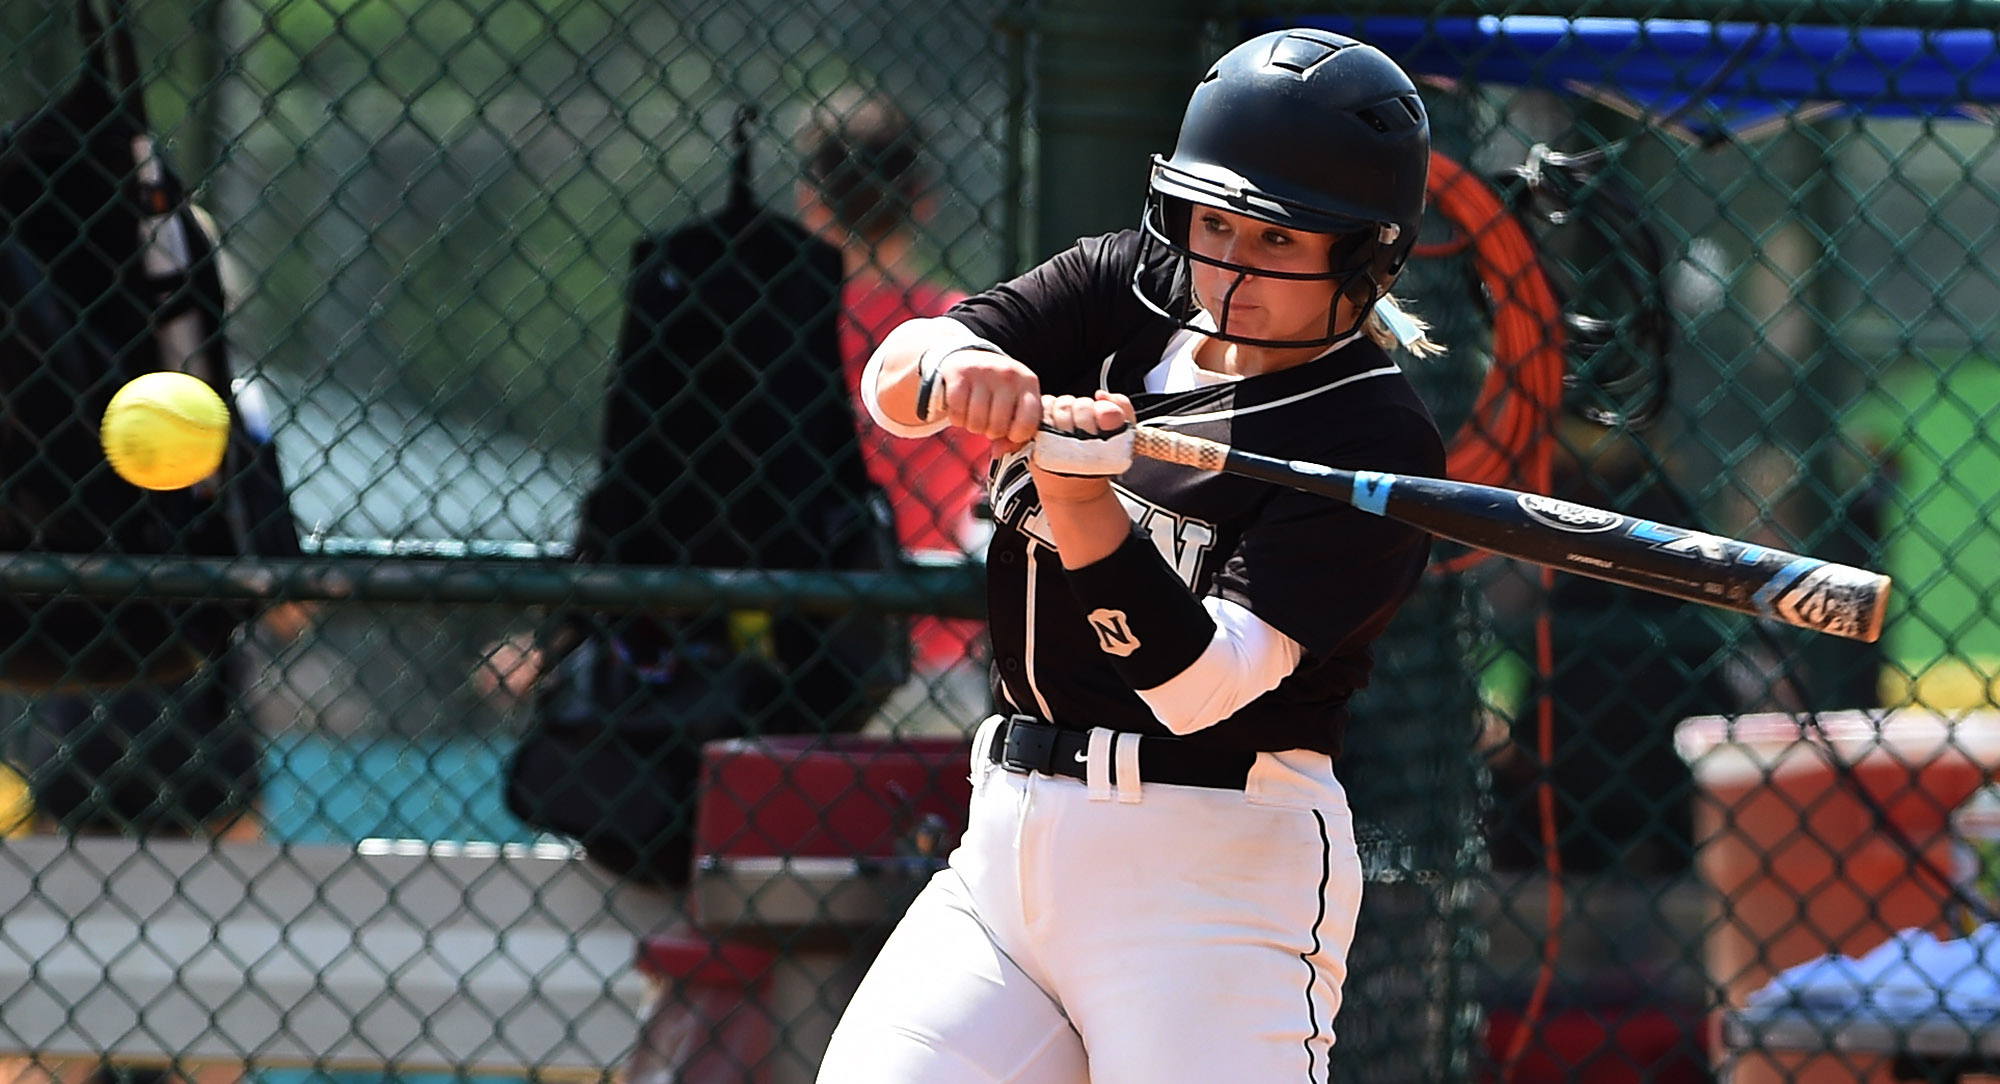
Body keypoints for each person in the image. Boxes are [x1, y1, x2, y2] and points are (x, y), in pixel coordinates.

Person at [816, 28, 1447, 1083]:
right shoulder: (1128, 288)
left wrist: (1075, 498)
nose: (1232, 271)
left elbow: (1198, 688)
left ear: (1365, 256)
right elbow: (895, 370)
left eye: (1279, 244)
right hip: (1006, 843)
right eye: (1214, 223)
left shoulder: (1370, 435)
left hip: (1214, 877)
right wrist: (963, 365)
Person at [794, 87, 991, 734]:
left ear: (807, 201)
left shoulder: (784, 334)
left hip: (797, 646)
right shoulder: (958, 331)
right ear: (923, 203)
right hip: (934, 657)